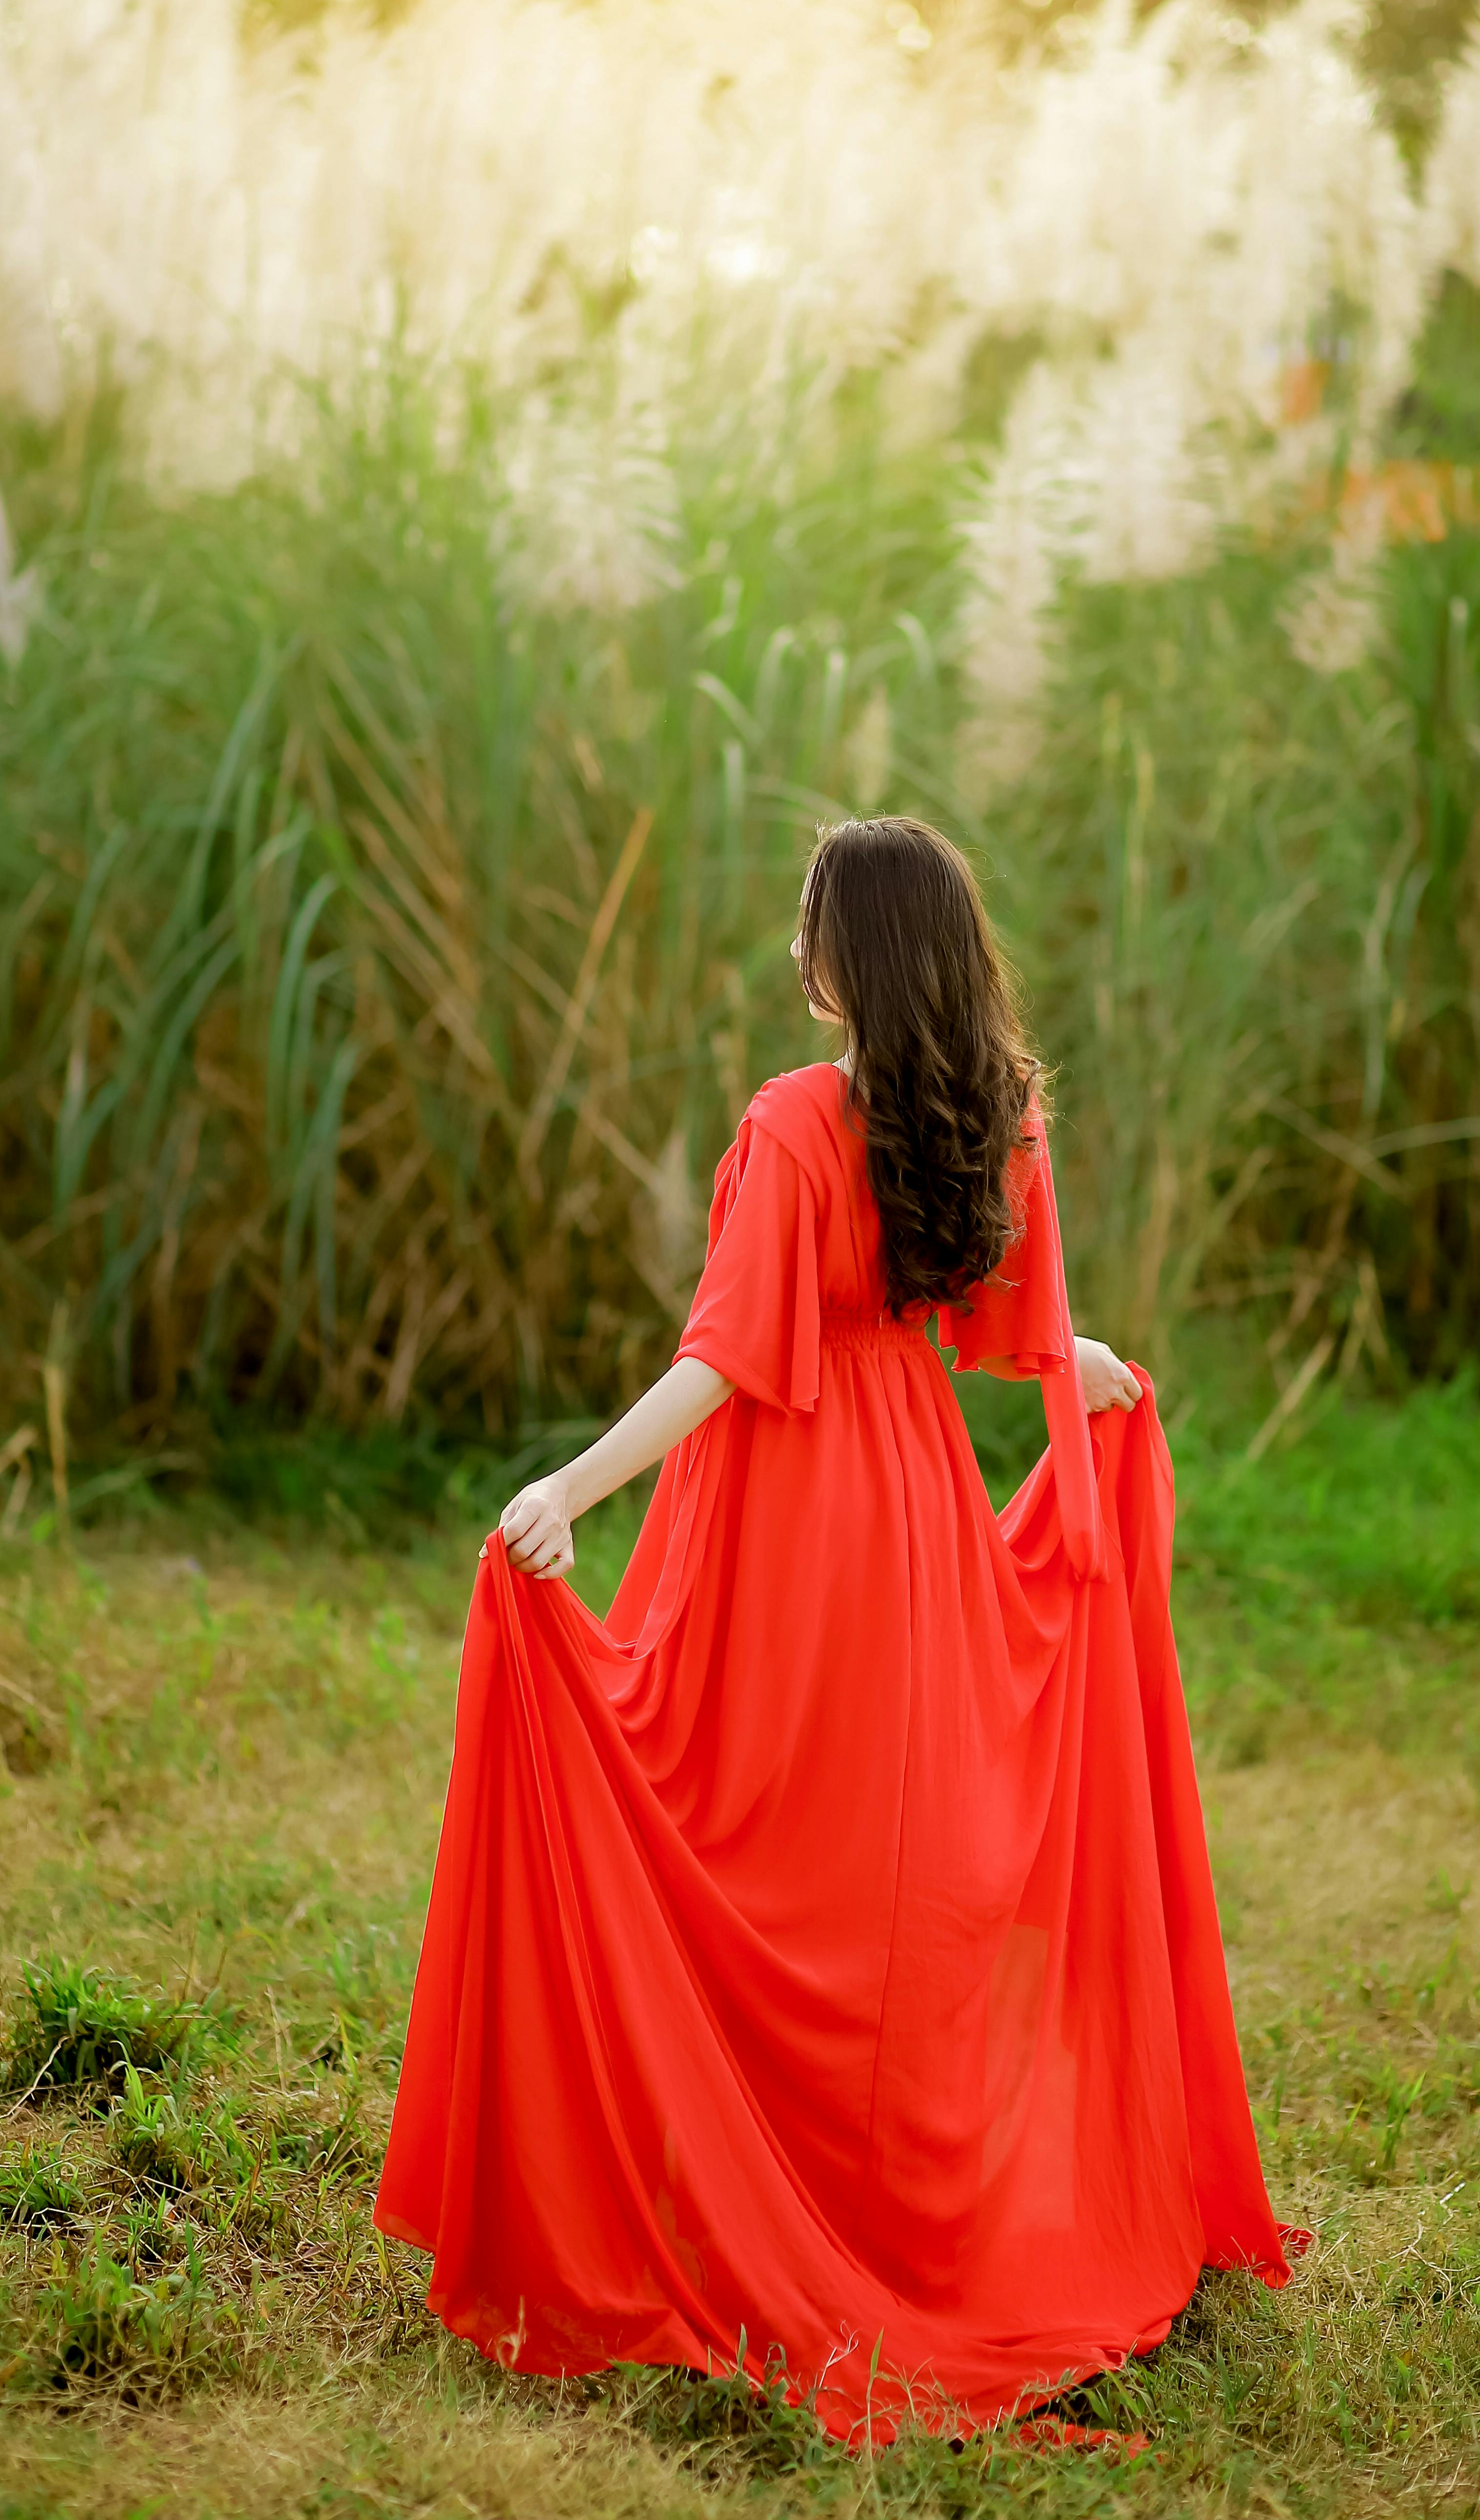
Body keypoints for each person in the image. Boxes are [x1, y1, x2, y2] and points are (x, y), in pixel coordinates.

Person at [375, 815, 1294, 2441]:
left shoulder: (800, 1121)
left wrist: (576, 1487)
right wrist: (1099, 1379)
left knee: (748, 1845)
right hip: (920, 1522)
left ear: (839, 954)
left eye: (807, 924)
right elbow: (1016, 1333)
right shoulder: (993, 1117)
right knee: (889, 1879)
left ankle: (753, 2201)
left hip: (783, 1522)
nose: (793, 951)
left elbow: (725, 1358)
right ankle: (873, 2200)